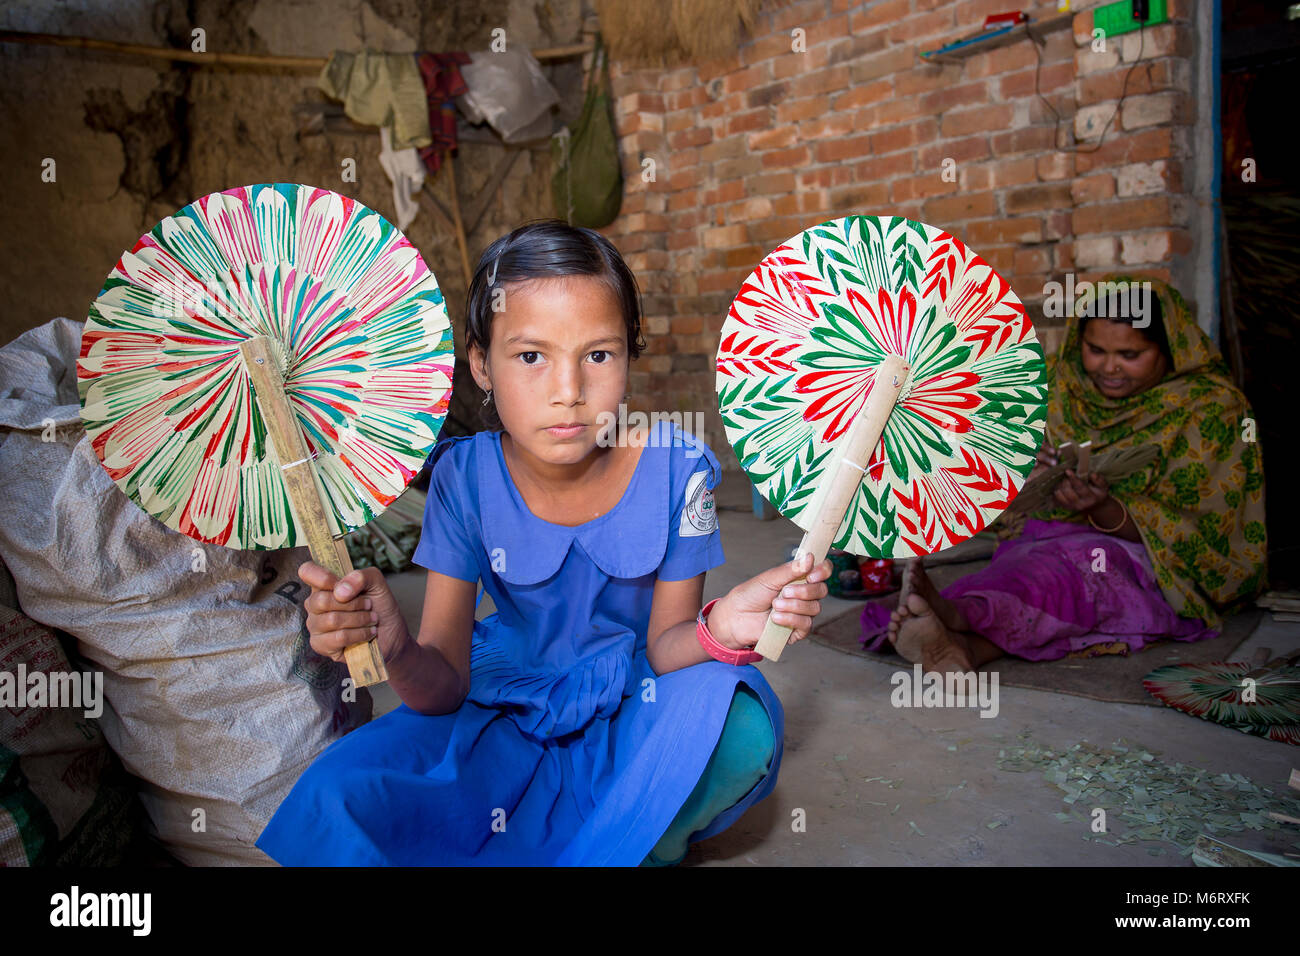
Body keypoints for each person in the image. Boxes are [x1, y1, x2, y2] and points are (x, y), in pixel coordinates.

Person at [256, 220, 832, 865]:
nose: (569, 393)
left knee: (741, 724)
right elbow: (442, 689)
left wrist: (720, 627)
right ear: (482, 365)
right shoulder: (463, 477)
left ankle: (635, 829)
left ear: (630, 359)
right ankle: (622, 830)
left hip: (635, 698)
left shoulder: (680, 468)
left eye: (599, 354)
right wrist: (391, 643)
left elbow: (668, 649)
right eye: (531, 356)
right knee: (345, 792)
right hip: (506, 709)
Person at [863, 275, 1267, 673]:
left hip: (1149, 561)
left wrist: (1106, 510)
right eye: (1095, 350)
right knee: (1028, 573)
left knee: (1082, 572)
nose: (1109, 368)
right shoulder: (1061, 381)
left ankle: (959, 617)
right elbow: (982, 463)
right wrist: (1024, 469)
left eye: (1131, 355)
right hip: (1043, 538)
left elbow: (1208, 530)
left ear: (1169, 350)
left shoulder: (1211, 408)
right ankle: (963, 647)